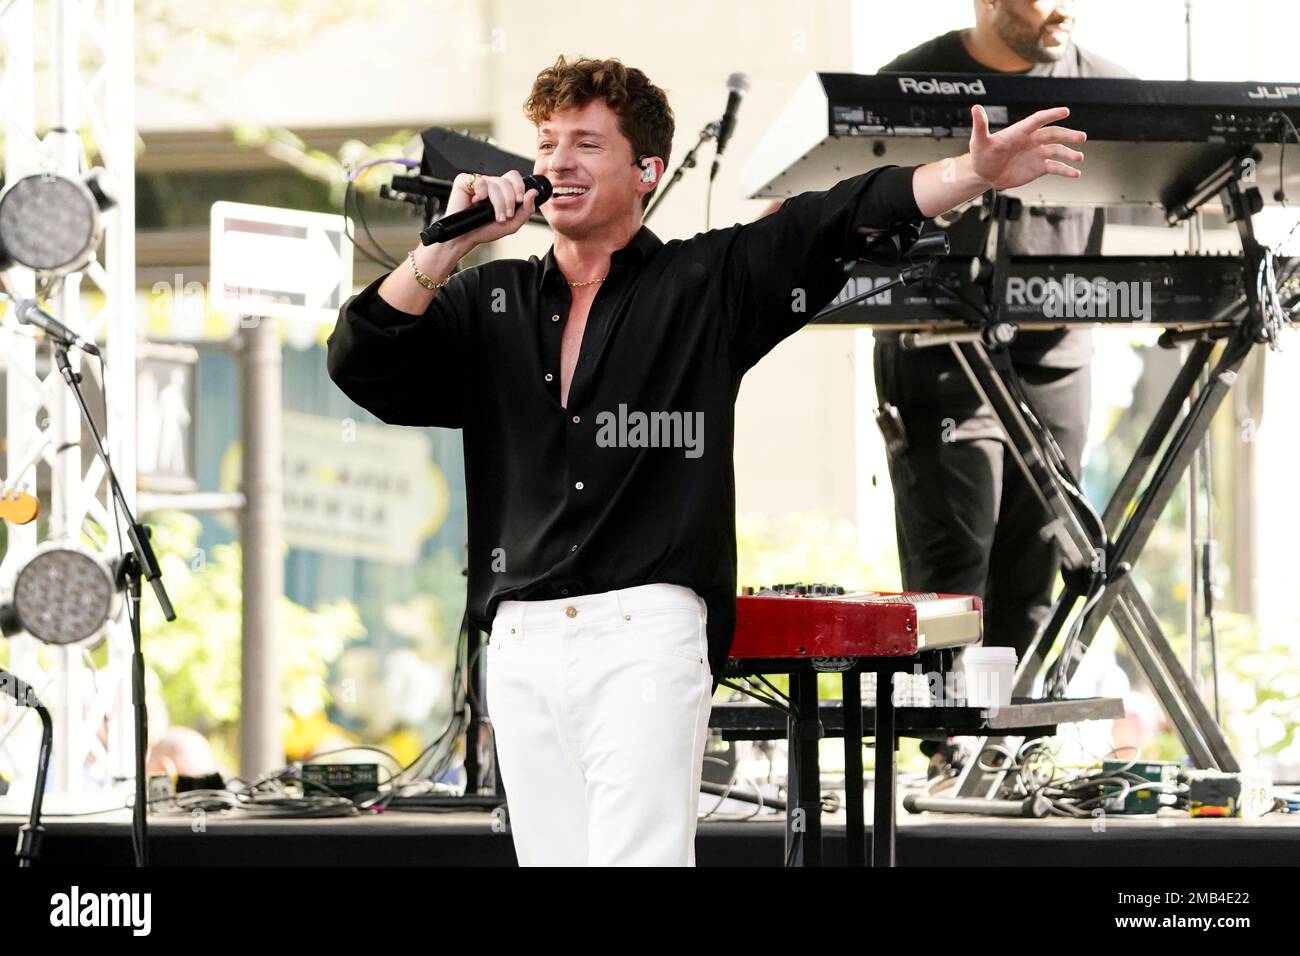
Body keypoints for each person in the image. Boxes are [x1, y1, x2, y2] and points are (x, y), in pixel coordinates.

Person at [327, 54, 1085, 866]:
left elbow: (829, 219)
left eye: (587, 144)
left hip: (643, 632)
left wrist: (969, 173)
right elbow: (362, 362)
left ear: (647, 170)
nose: (556, 163)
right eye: (547, 144)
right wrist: (444, 251)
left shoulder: (702, 282)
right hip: (519, 641)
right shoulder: (489, 300)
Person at [875, 0, 1130, 778]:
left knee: (1035, 564)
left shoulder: (1113, 87)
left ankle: (1010, 755)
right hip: (938, 350)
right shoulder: (907, 81)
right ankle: (948, 751)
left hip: (1058, 351)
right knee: (955, 557)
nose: (1062, 8)